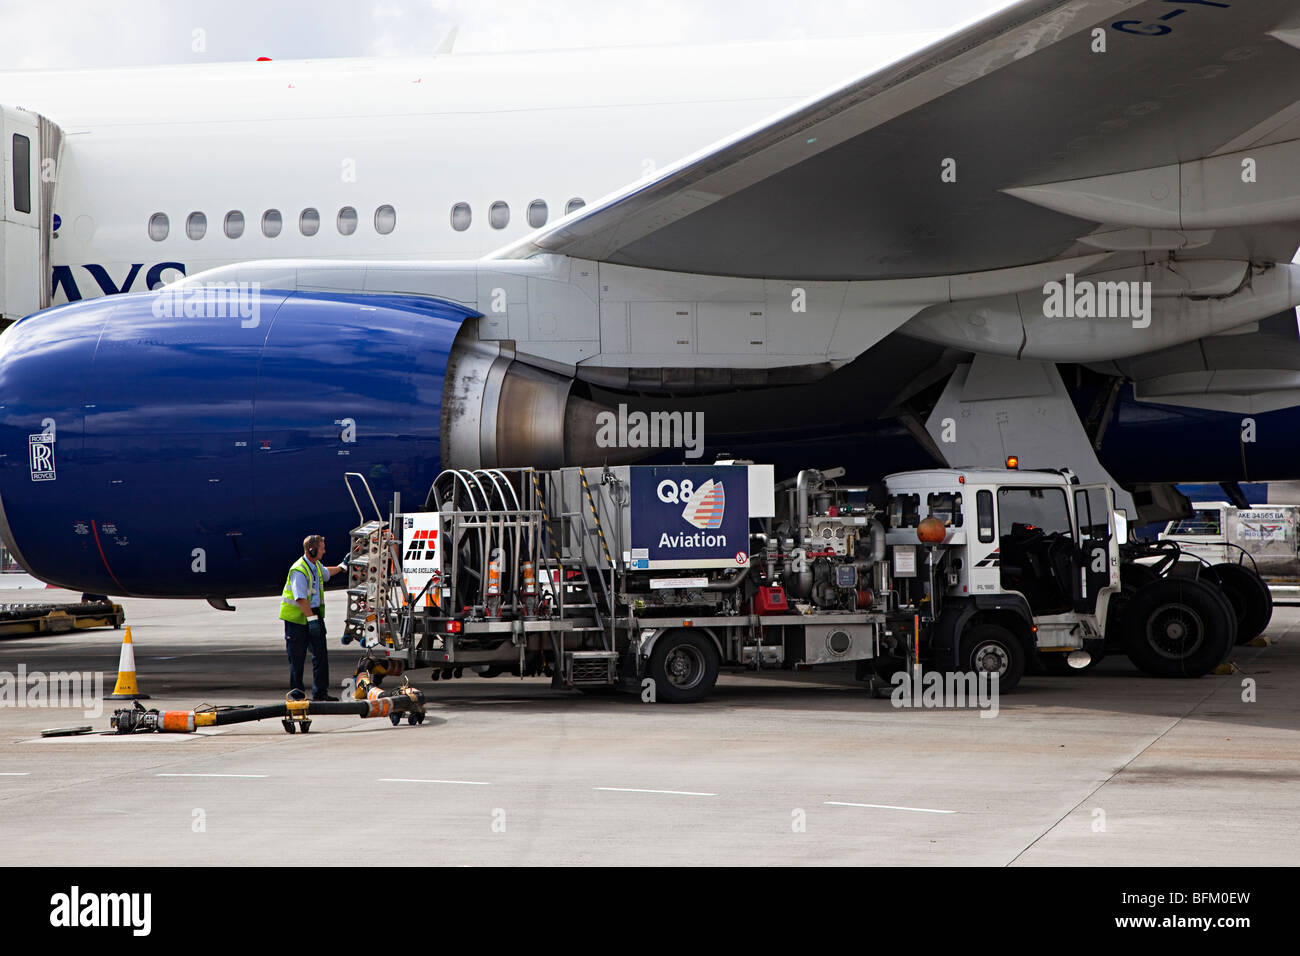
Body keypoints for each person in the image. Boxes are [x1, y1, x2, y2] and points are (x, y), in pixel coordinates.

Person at [279, 534, 347, 701]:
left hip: (313, 615)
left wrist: (342, 566)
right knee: (297, 660)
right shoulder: (299, 570)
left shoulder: (315, 566)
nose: (324, 552)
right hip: (298, 620)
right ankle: (297, 696)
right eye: (322, 549)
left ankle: (320, 693)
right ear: (312, 550)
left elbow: (326, 573)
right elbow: (301, 599)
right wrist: (312, 621)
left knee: (321, 656)